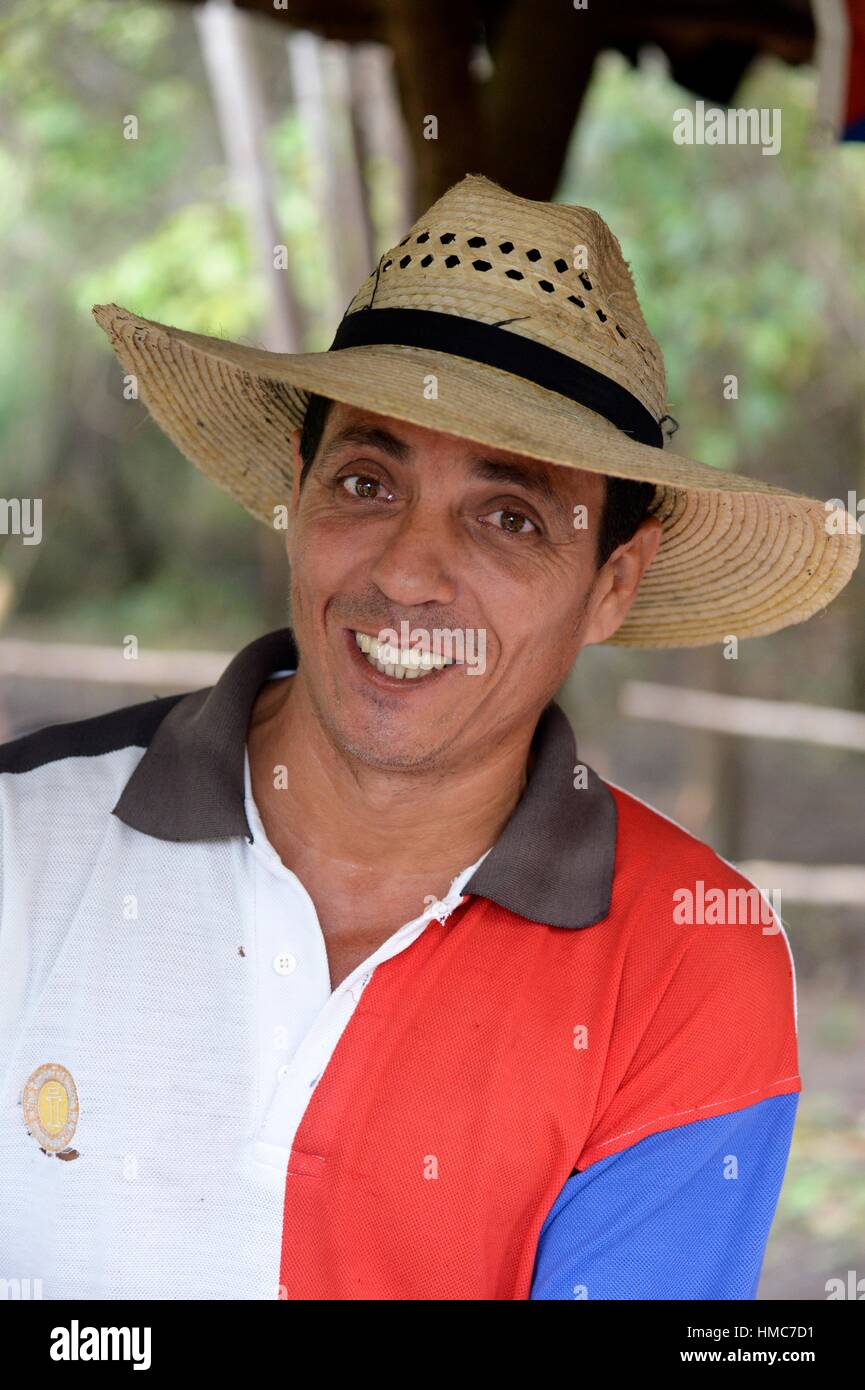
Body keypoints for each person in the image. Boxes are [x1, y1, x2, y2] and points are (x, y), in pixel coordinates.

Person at [0, 174, 858, 1300]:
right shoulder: (25, 843)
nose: (406, 570)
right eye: (367, 480)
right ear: (298, 496)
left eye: (510, 516)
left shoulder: (690, 962)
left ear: (612, 584)